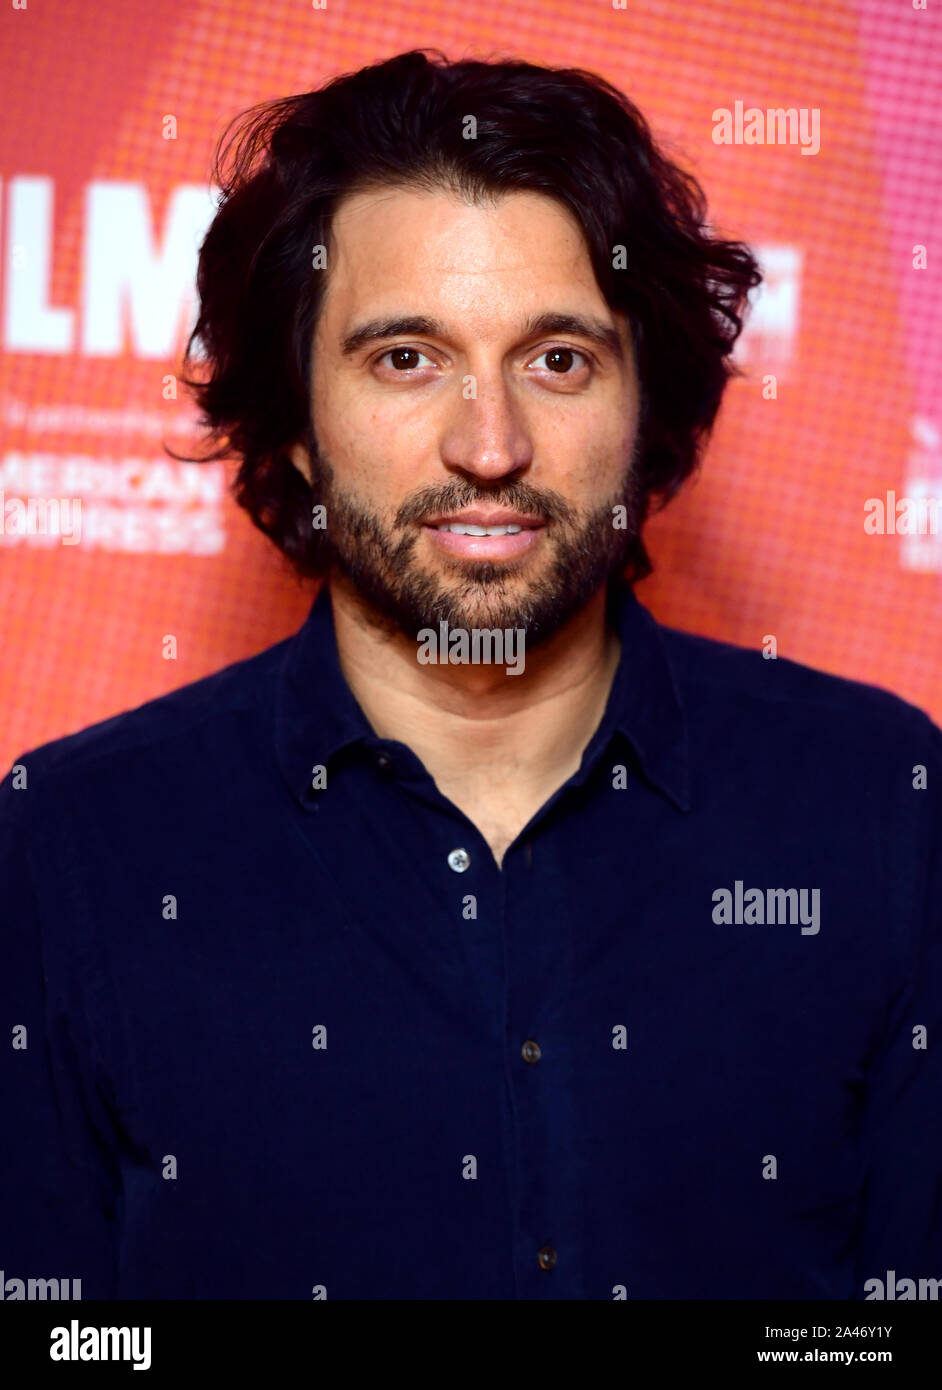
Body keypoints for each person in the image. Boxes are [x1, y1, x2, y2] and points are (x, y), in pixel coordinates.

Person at [2, 49, 939, 1301]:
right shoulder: (74, 846)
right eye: (406, 358)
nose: (488, 445)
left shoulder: (880, 805)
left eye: (557, 359)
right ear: (296, 414)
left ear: (643, 398)